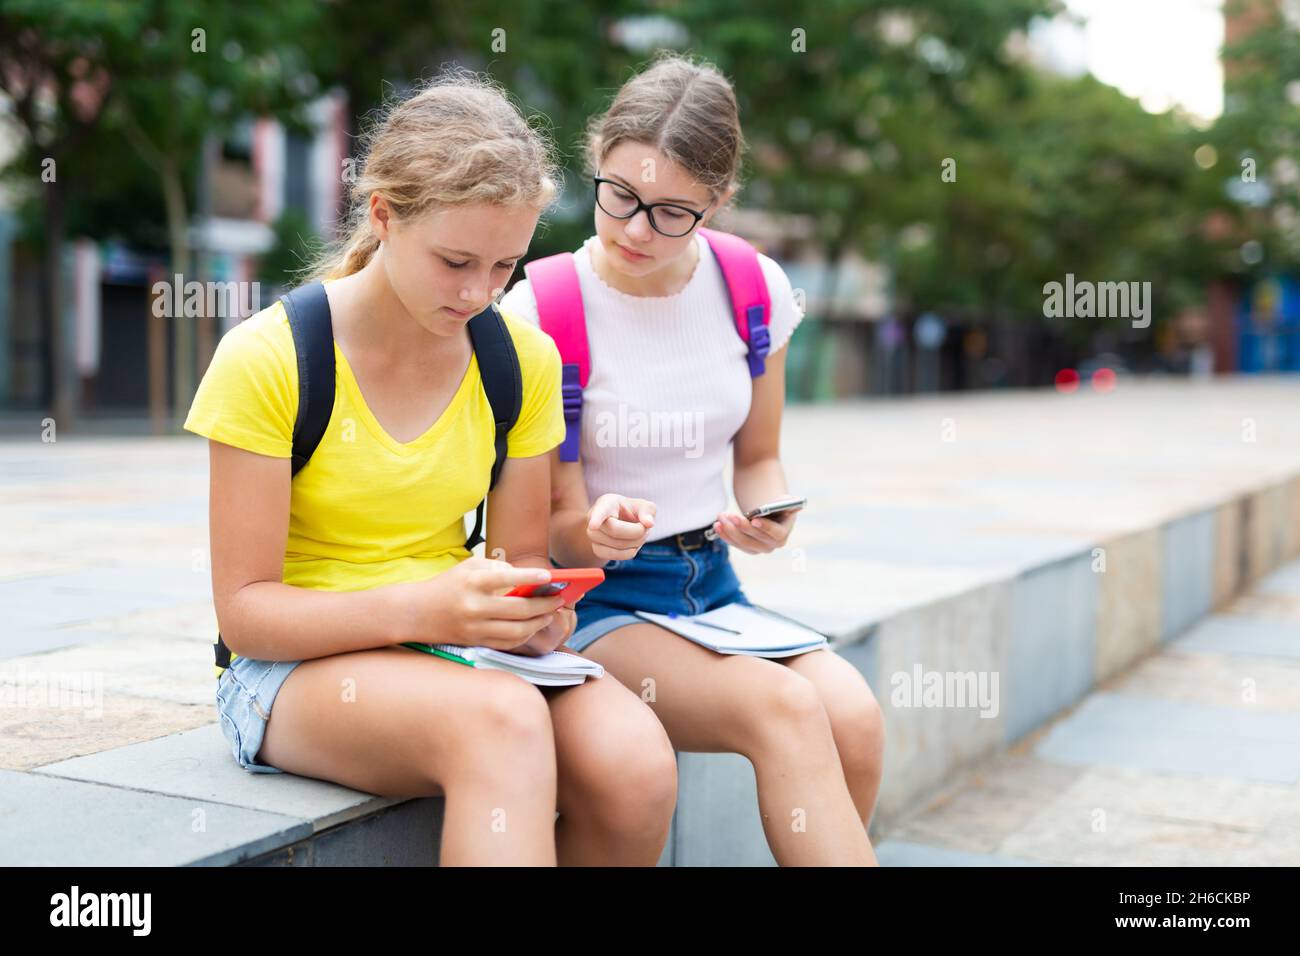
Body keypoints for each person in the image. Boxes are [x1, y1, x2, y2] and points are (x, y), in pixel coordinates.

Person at [186, 70, 676, 866]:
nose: (480, 292)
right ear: (382, 215)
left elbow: (520, 563)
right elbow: (247, 613)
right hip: (292, 670)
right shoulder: (268, 358)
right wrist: (430, 611)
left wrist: (533, 613)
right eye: (456, 262)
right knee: (501, 725)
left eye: (505, 267)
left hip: (454, 649)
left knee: (638, 764)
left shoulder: (519, 360)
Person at [501, 52, 884, 866]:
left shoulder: (753, 286)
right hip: (598, 600)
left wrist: (767, 513)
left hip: (711, 581)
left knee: (852, 714)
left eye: (674, 212)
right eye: (621, 197)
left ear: (719, 201)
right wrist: (597, 531)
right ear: (597, 159)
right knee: (783, 708)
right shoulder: (543, 306)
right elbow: (543, 529)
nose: (637, 230)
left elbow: (760, 458)